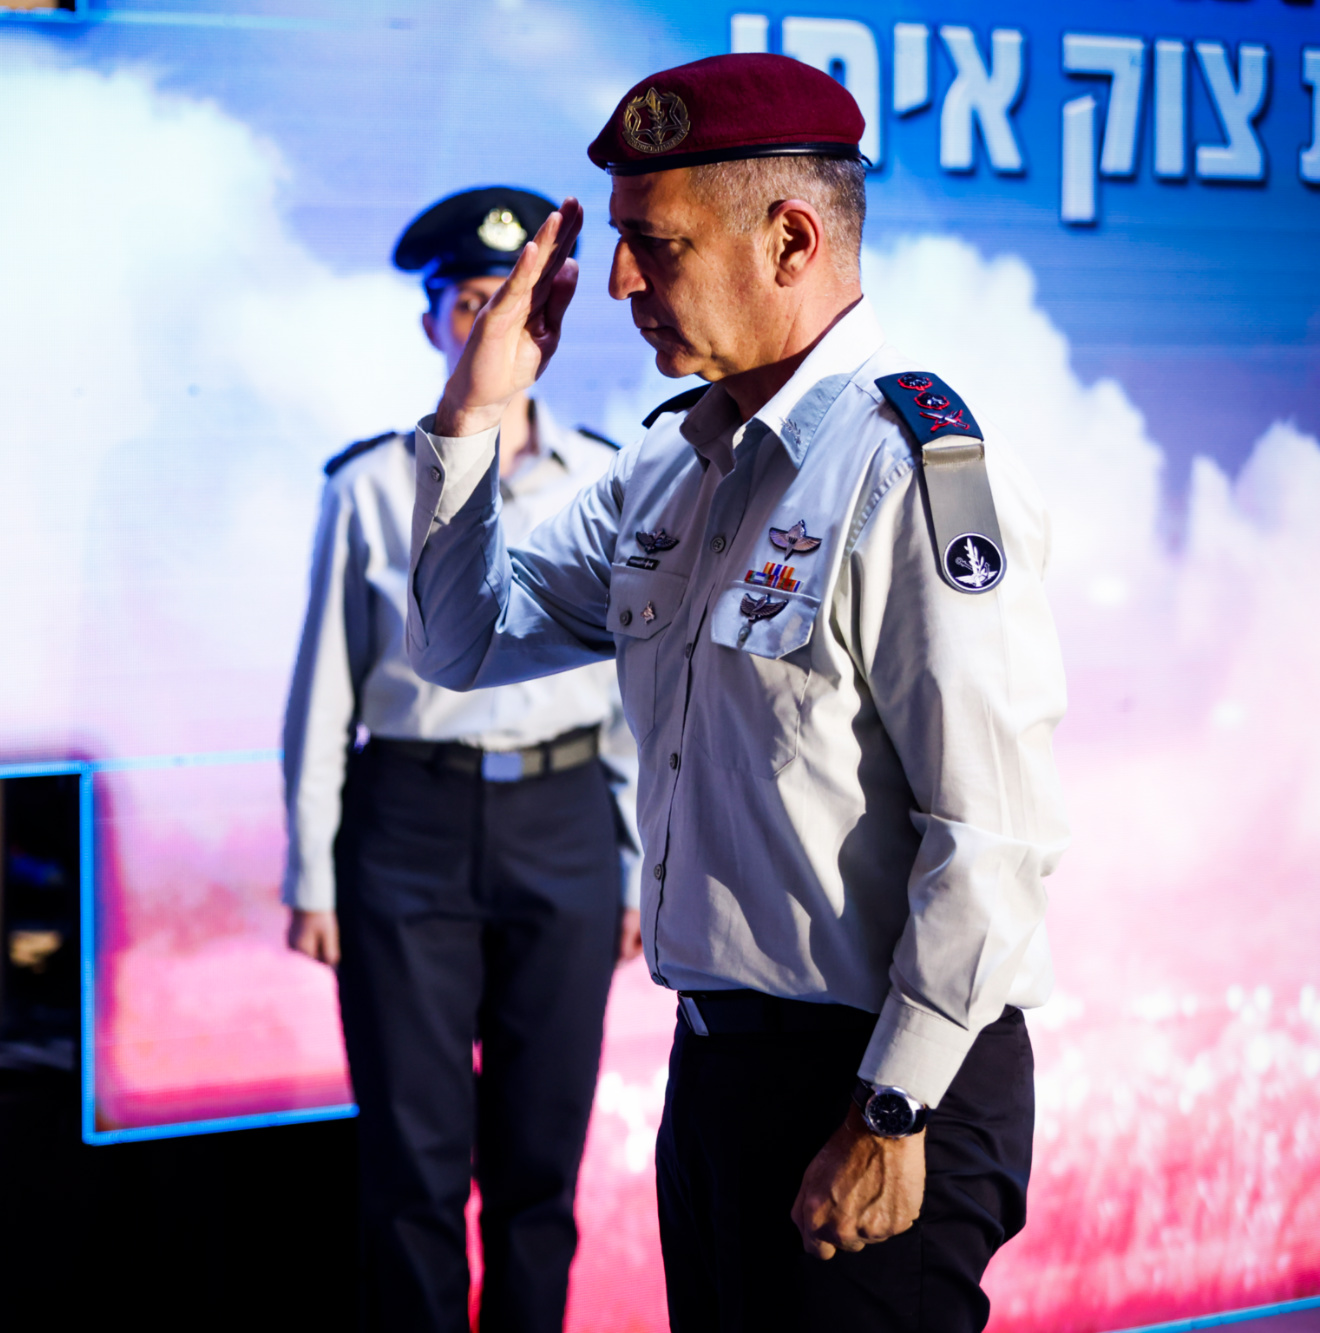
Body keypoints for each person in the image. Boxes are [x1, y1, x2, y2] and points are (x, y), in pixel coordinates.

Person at [402, 56, 1070, 1333]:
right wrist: (474, 412)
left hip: (881, 1077)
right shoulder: (673, 467)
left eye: (653, 246)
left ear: (790, 239)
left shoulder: (912, 471)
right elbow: (464, 642)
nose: (614, 284)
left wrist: (890, 1109)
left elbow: (992, 838)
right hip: (716, 1069)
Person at [281, 185, 643, 1333]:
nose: (488, 325)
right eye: (468, 302)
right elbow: (322, 693)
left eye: (512, 303)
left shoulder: (603, 478)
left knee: (539, 1168)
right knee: (412, 1166)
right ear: (435, 322)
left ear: (544, 322)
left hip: (566, 822)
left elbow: (635, 692)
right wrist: (311, 873)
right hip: (407, 829)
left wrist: (634, 862)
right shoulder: (370, 485)